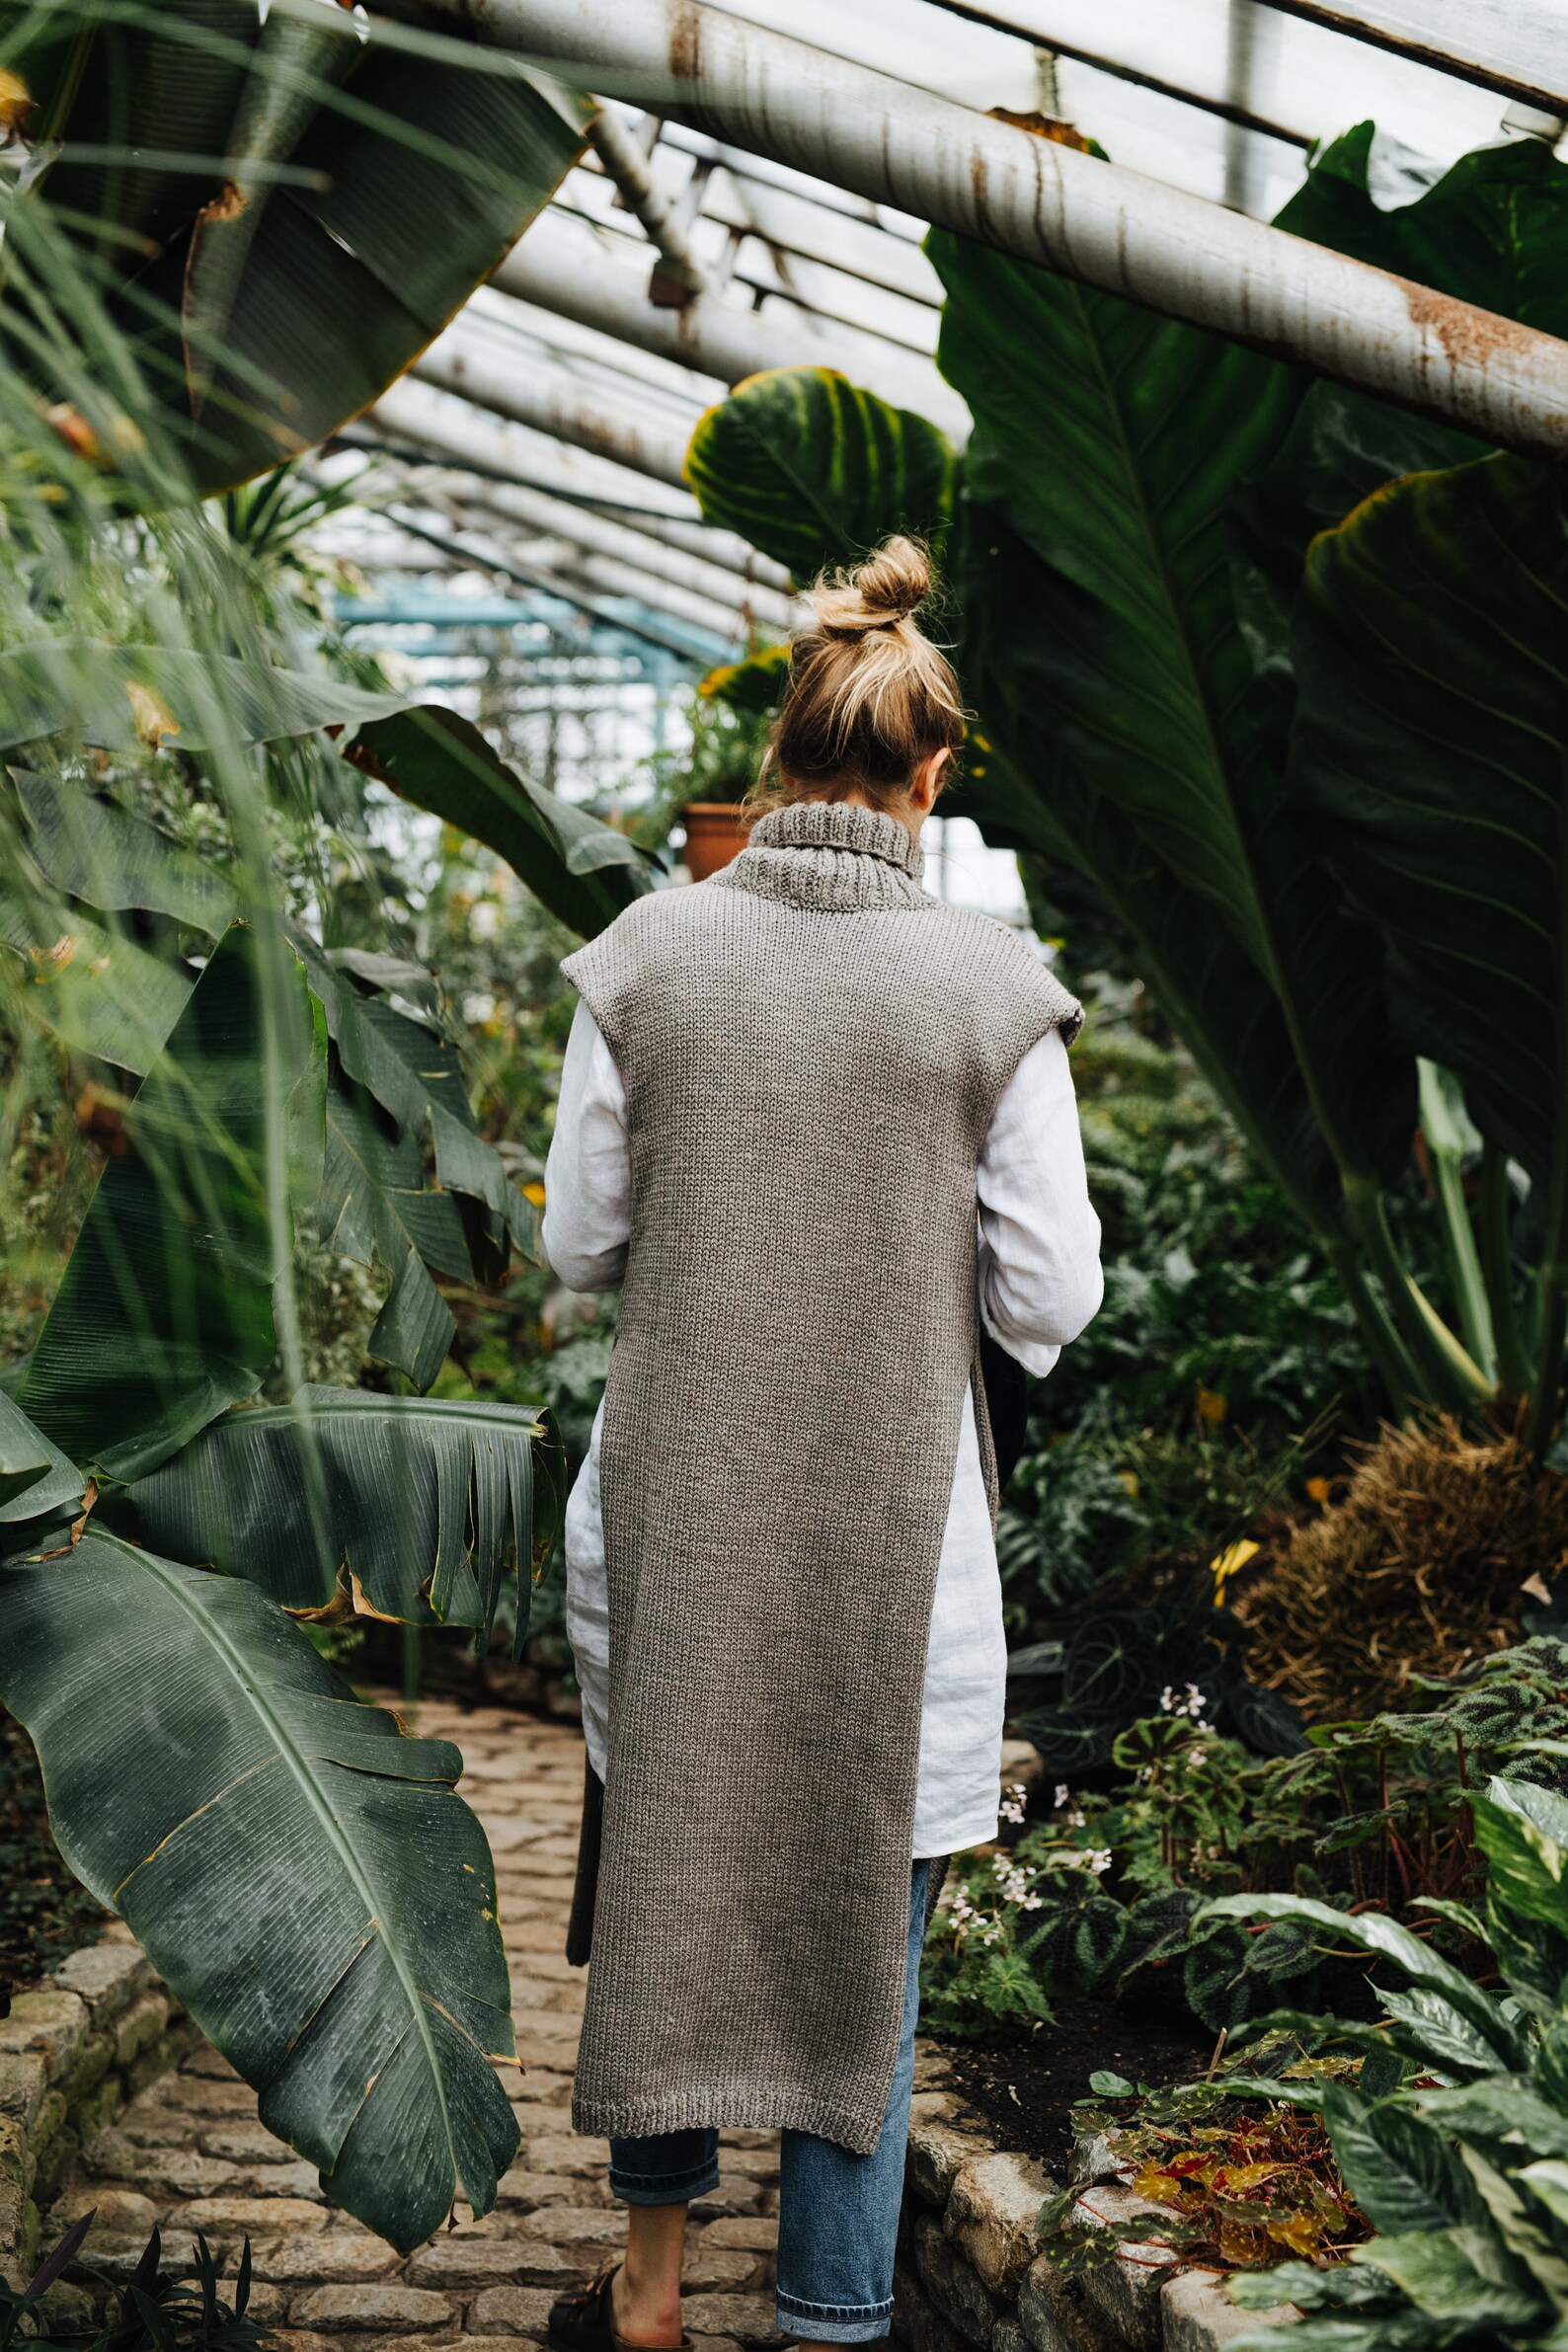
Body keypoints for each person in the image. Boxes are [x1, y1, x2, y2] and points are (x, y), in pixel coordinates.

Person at [539, 536, 1103, 2352]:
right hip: (899, 1550)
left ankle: (646, 2292)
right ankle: (834, 2317)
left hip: (674, 1522)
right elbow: (1050, 1296)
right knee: (871, 1922)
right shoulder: (989, 986)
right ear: (930, 779)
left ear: (781, 754)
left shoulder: (649, 958)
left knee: (676, 1865)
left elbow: (577, 1247)